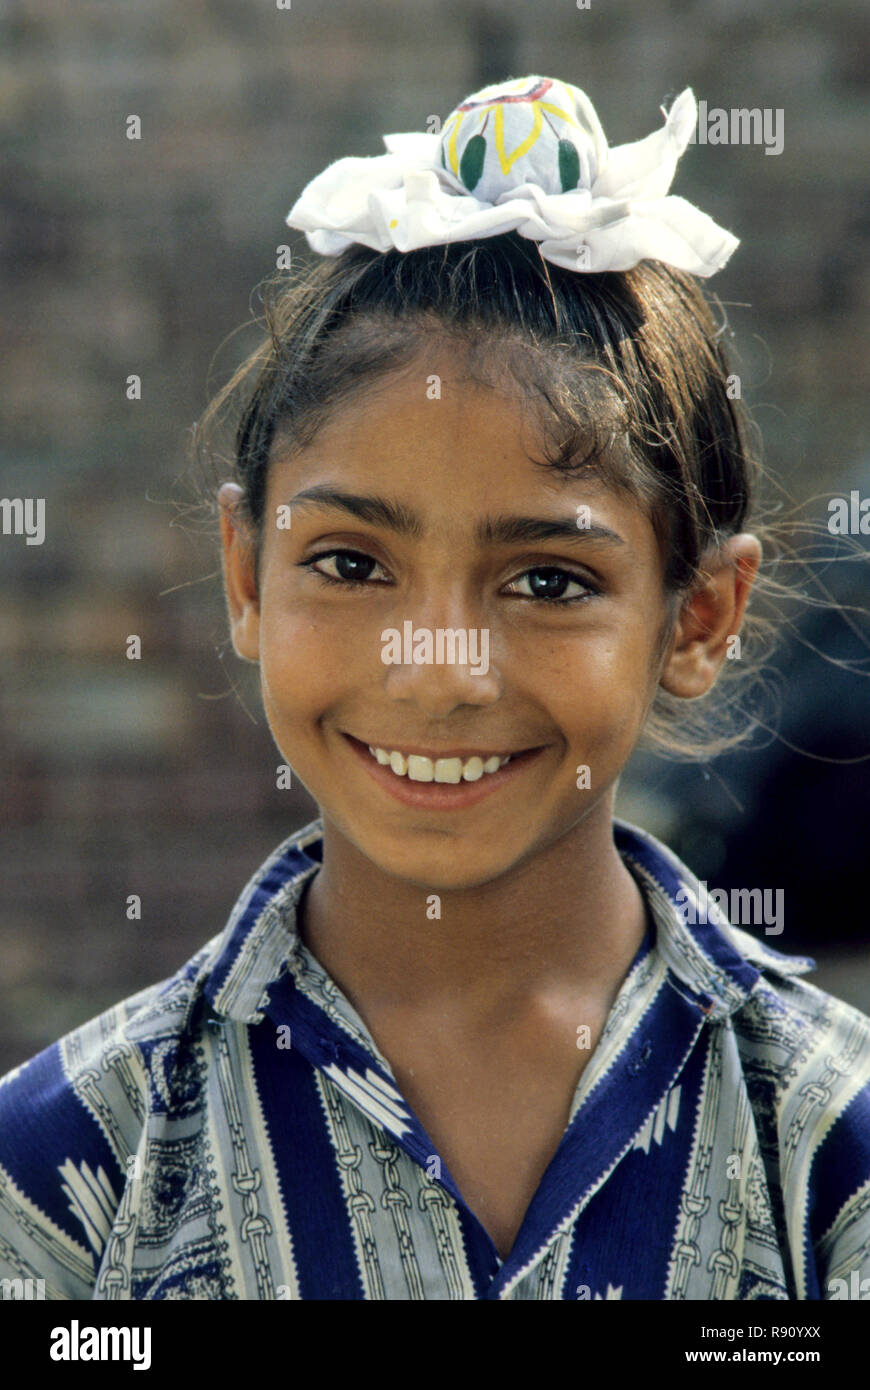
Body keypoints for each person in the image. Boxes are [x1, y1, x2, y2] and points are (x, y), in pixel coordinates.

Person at [1, 75, 868, 1302]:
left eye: (550, 581)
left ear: (699, 617)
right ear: (247, 576)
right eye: (352, 564)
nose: (441, 669)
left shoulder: (831, 1153)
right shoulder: (68, 1177)